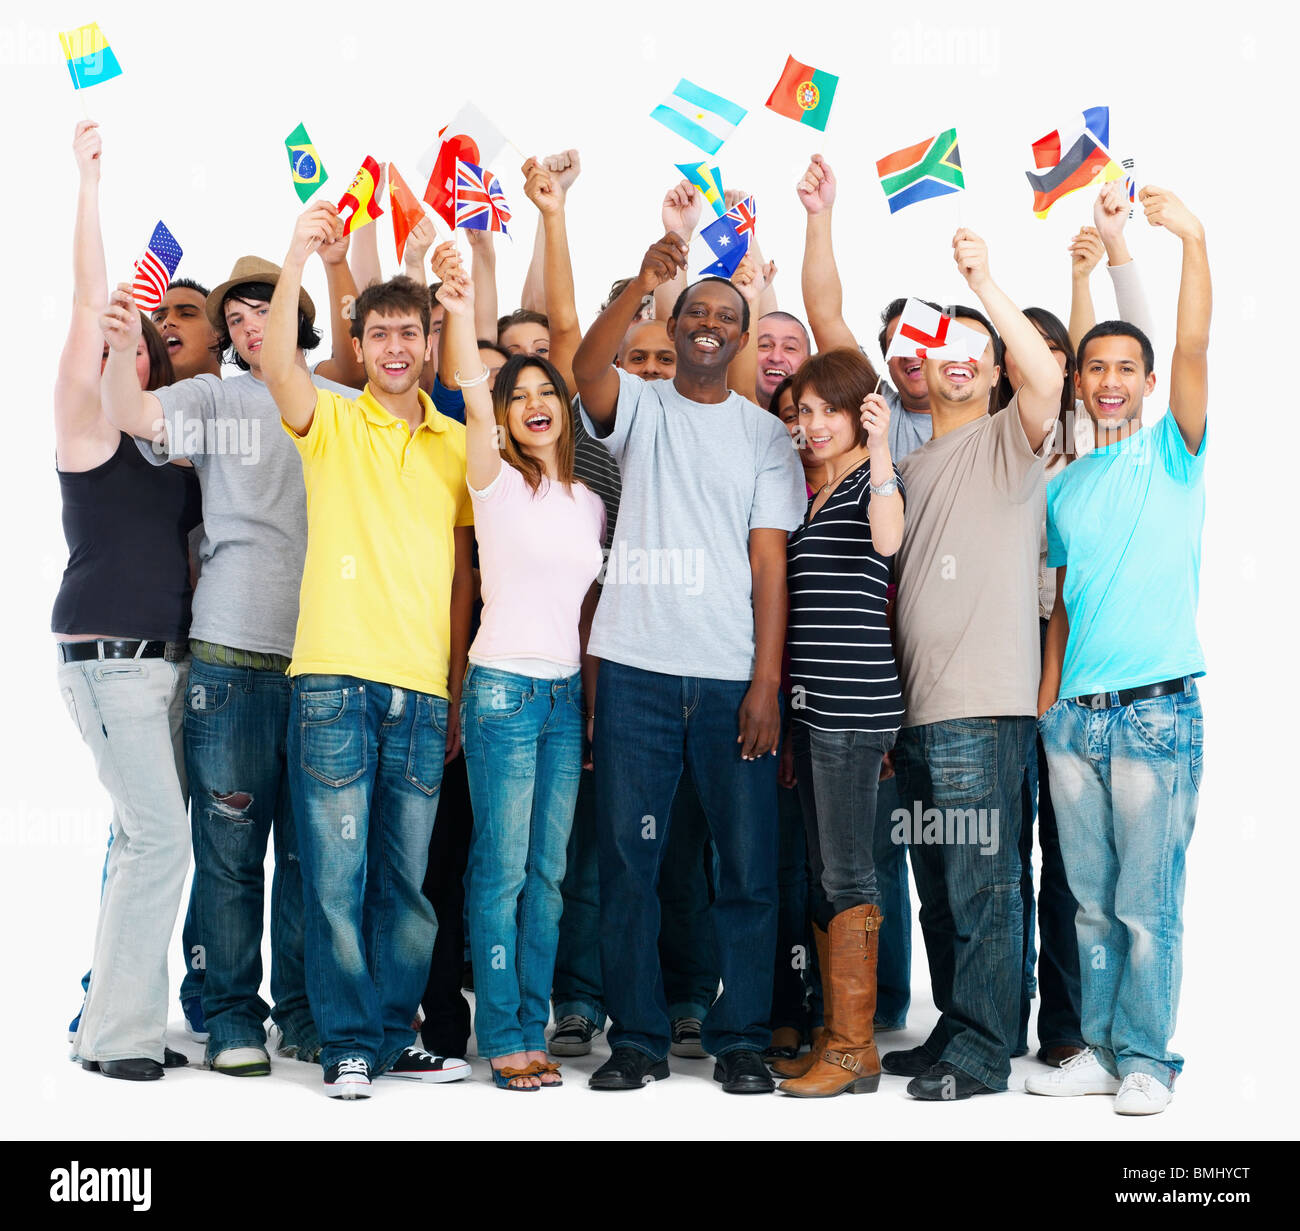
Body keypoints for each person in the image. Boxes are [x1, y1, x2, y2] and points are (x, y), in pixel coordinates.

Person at [101, 231, 365, 1077]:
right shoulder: (213, 399)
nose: (253, 323)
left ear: (298, 323)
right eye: (238, 314)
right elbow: (139, 414)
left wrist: (332, 254)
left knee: (309, 854)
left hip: (321, 659)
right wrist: (113, 346)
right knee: (228, 845)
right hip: (230, 654)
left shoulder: (338, 403)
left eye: (269, 310)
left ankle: (300, 1010)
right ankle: (230, 1016)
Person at [572, 231, 805, 1094]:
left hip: (726, 677)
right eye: (695, 313)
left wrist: (764, 685)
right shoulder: (640, 405)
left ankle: (739, 1035)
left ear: (742, 338)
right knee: (630, 864)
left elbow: (769, 563)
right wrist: (642, 282)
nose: (709, 325)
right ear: (675, 328)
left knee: (742, 869)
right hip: (632, 666)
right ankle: (635, 1036)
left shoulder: (764, 438)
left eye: (725, 317)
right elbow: (584, 365)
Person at [261, 201, 475, 1099]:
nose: (394, 347)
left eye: (410, 332)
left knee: (408, 882)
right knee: (338, 876)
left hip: (423, 692)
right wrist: (297, 252)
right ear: (361, 342)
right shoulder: (335, 422)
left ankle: (394, 1033)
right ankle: (347, 1038)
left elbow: (466, 576)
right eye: (379, 332)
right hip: (336, 682)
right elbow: (277, 361)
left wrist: (457, 685)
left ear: (429, 345)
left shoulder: (458, 444)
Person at [1026, 187, 1209, 1116]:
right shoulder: (1066, 489)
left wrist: (1169, 243)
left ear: (1142, 384)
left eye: (1122, 368)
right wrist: (1051, 701)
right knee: (1091, 903)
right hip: (1077, 723)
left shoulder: (1173, 451)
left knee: (1146, 906)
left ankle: (1148, 1056)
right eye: (1093, 367)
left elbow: (1187, 346)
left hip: (1155, 715)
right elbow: (1061, 610)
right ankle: (1098, 1046)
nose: (1106, 379)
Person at [883, 229, 1063, 1101]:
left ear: (995, 372)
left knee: (986, 883)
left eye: (976, 353)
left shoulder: (1009, 444)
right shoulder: (911, 464)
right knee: (939, 891)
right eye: (943, 349)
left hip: (984, 709)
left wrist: (983, 282)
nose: (957, 361)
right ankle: (955, 1024)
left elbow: (1052, 379)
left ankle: (987, 1047)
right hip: (917, 716)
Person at [435, 240, 604, 1090]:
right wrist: (461, 305)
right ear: (501, 420)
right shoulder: (493, 479)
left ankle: (531, 1021)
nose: (534, 402)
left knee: (549, 873)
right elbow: (469, 384)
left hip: (562, 696)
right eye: (519, 397)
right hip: (501, 690)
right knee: (499, 869)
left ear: (564, 410)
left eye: (548, 392)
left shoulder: (590, 501)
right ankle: (502, 1029)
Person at [60, 119, 200, 1082]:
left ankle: (109, 1022)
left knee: (137, 839)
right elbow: (86, 305)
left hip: (171, 666)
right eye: (123, 344)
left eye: (146, 346)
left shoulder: (169, 446)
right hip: (108, 665)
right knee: (159, 837)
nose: (133, 356)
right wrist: (89, 184)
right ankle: (117, 1040)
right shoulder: (85, 431)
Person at [778, 348, 905, 1098]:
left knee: (850, 871)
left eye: (828, 409)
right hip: (813, 711)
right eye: (803, 411)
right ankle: (838, 1034)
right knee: (830, 872)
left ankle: (857, 1046)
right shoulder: (815, 492)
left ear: (859, 412)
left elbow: (888, 543)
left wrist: (883, 449)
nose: (813, 424)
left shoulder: (870, 482)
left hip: (856, 708)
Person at [152, 279, 222, 380]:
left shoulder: (249, 393)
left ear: (219, 333)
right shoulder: (128, 394)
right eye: (158, 318)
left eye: (186, 314)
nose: (167, 321)